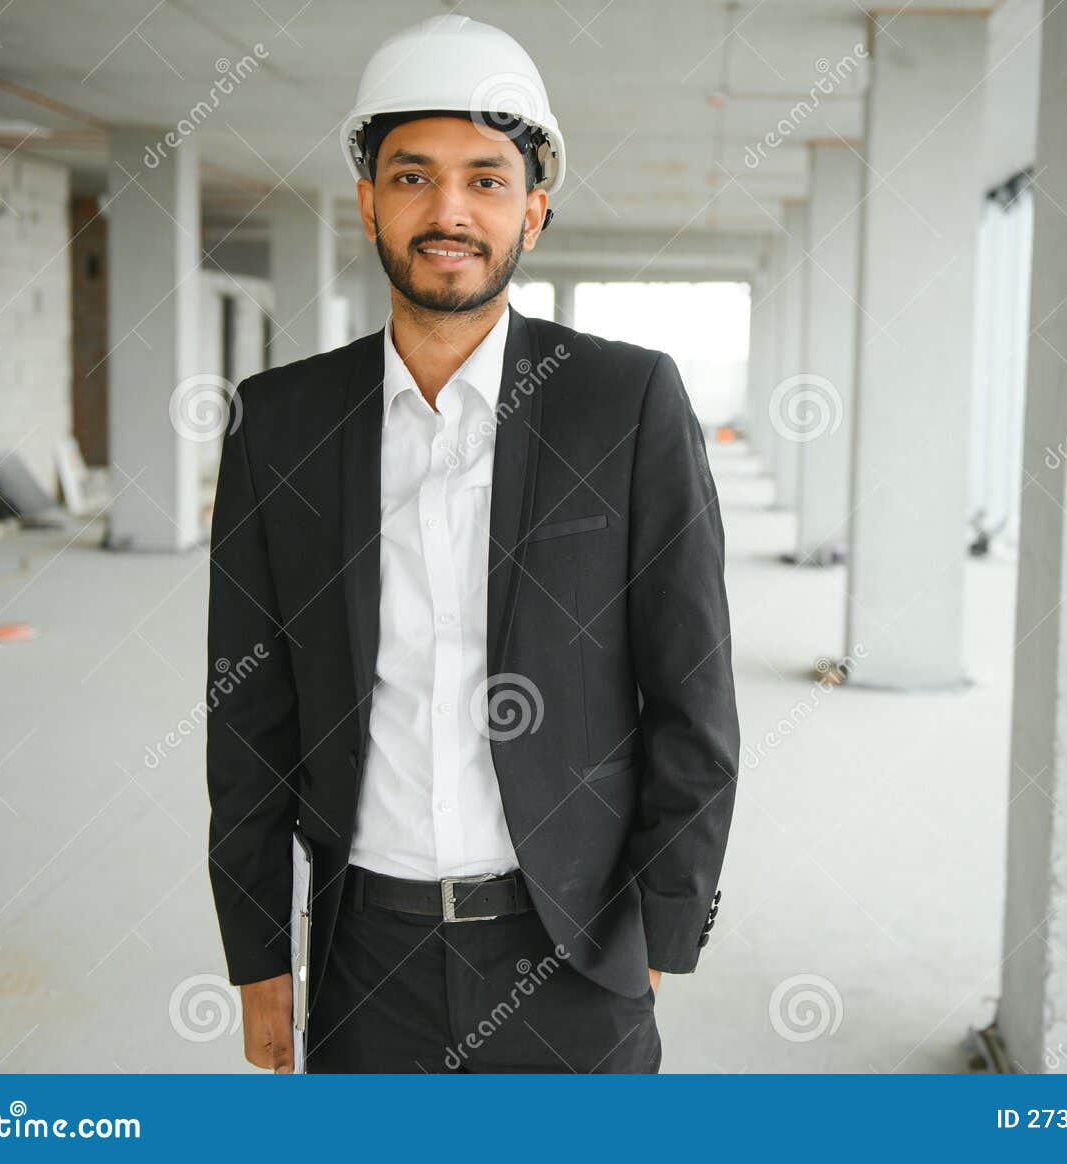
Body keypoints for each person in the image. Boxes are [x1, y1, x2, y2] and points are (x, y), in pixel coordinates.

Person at [204, 13, 739, 1073]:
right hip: (366, 960)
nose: (448, 210)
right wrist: (259, 951)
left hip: (574, 954)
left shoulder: (624, 403)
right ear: (368, 202)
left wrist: (658, 931)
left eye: (486, 178)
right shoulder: (281, 423)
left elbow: (694, 694)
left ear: (534, 209)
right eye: (411, 176)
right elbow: (248, 715)